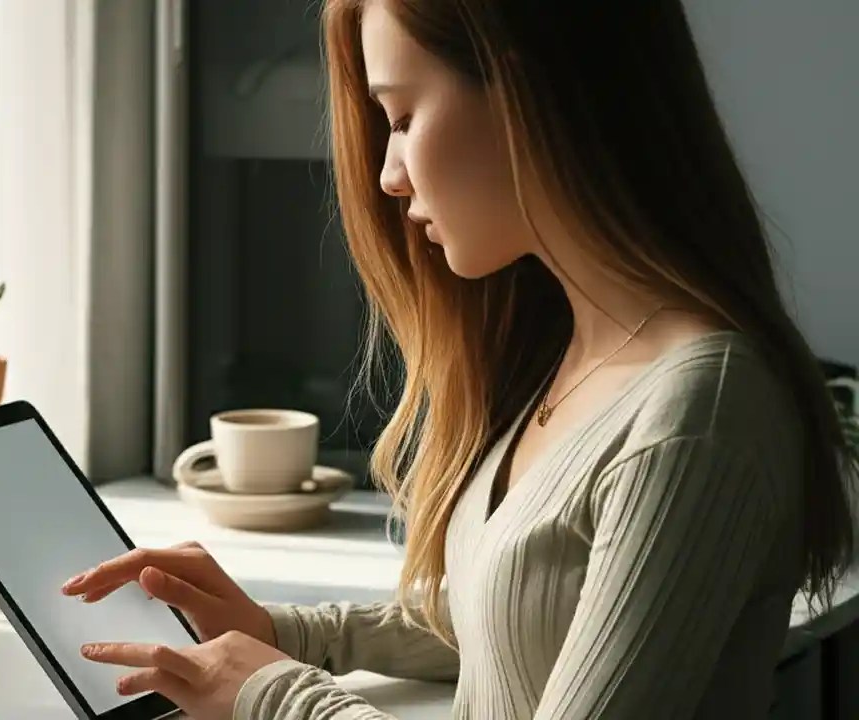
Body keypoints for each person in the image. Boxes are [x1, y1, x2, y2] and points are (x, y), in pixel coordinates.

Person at [61, 0, 857, 717]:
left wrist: (276, 696)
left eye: (402, 118)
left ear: (526, 99)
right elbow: (523, 620)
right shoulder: (582, 355)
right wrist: (281, 631)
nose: (389, 174)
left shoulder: (697, 414)